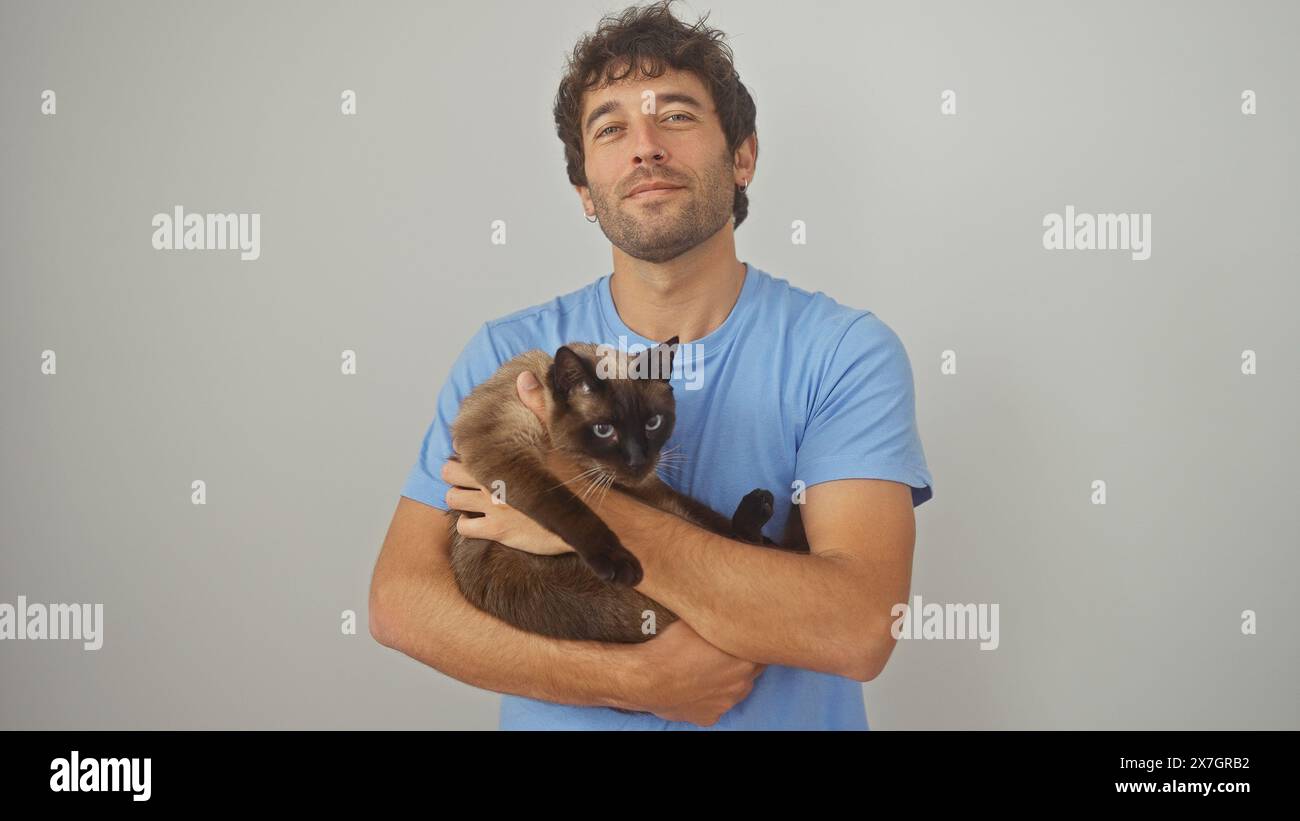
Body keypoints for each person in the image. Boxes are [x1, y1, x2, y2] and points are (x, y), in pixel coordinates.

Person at [368, 0, 933, 730]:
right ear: (584, 193)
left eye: (675, 116)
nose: (645, 148)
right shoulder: (508, 355)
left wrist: (578, 508)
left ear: (743, 158)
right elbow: (400, 604)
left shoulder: (843, 352)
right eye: (611, 128)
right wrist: (633, 678)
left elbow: (857, 629)